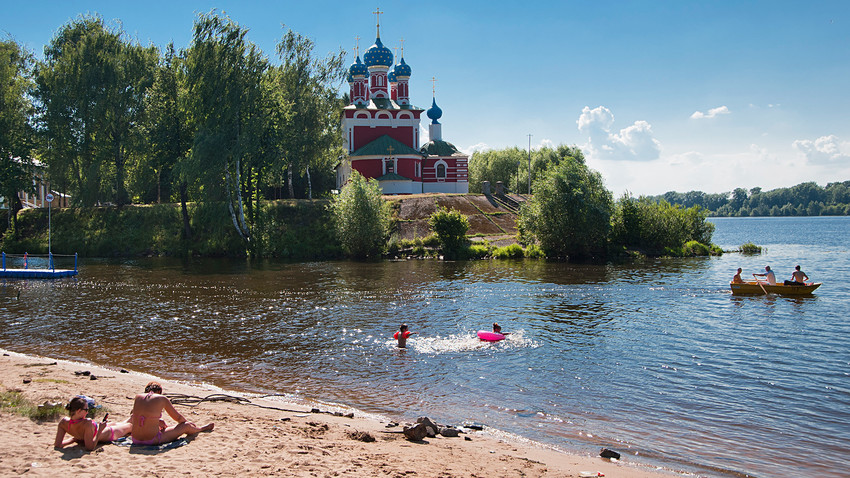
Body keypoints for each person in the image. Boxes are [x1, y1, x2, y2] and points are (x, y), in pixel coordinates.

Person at [130, 381, 213, 446]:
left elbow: (138, 416)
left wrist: (158, 421)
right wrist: (187, 423)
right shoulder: (162, 399)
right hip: (152, 440)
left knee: (166, 426)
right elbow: (178, 418)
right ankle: (201, 429)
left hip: (135, 439)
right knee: (186, 426)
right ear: (159, 391)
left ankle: (196, 428)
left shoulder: (138, 397)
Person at [54, 396, 132, 450]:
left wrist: (74, 439)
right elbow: (90, 447)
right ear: (79, 411)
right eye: (86, 409)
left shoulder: (63, 422)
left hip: (103, 428)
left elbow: (58, 445)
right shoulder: (87, 423)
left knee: (116, 423)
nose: (87, 412)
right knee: (130, 426)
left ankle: (132, 416)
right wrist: (100, 430)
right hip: (109, 433)